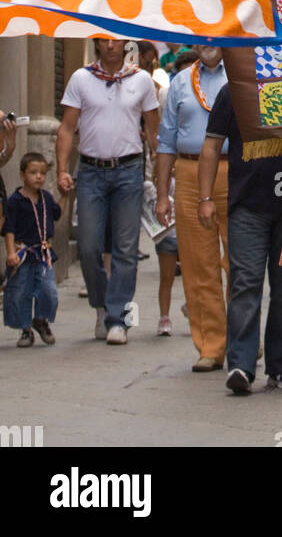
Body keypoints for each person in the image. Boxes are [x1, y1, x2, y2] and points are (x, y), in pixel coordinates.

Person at [57, 37, 159, 344]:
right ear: (97, 45)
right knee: (88, 247)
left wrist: (163, 172)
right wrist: (62, 168)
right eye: (104, 42)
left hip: (129, 171)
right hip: (90, 171)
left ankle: (119, 321)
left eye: (116, 41)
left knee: (126, 250)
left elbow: (154, 129)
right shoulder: (81, 78)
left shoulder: (141, 80)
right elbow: (66, 127)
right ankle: (101, 306)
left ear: (125, 45)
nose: (110, 47)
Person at [198, 83, 282, 393]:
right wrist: (205, 198)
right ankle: (241, 364)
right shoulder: (234, 92)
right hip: (246, 206)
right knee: (245, 283)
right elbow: (212, 145)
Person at [155, 42, 229, 371]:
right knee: (199, 265)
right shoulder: (180, 82)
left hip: (234, 171)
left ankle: (241, 338)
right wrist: (161, 194)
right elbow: (165, 141)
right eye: (201, 35)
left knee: (243, 263)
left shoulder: (242, 75)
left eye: (215, 35)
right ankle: (210, 346)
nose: (208, 42)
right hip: (188, 172)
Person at [3, 153, 67, 346]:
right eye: (33, 173)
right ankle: (25, 330)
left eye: (42, 173)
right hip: (23, 254)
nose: (38, 177)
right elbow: (9, 228)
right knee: (20, 292)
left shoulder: (46, 198)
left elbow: (57, 214)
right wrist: (11, 253)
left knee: (48, 291)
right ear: (23, 175)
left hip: (43, 255)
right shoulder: (15, 201)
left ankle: (40, 320)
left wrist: (64, 195)